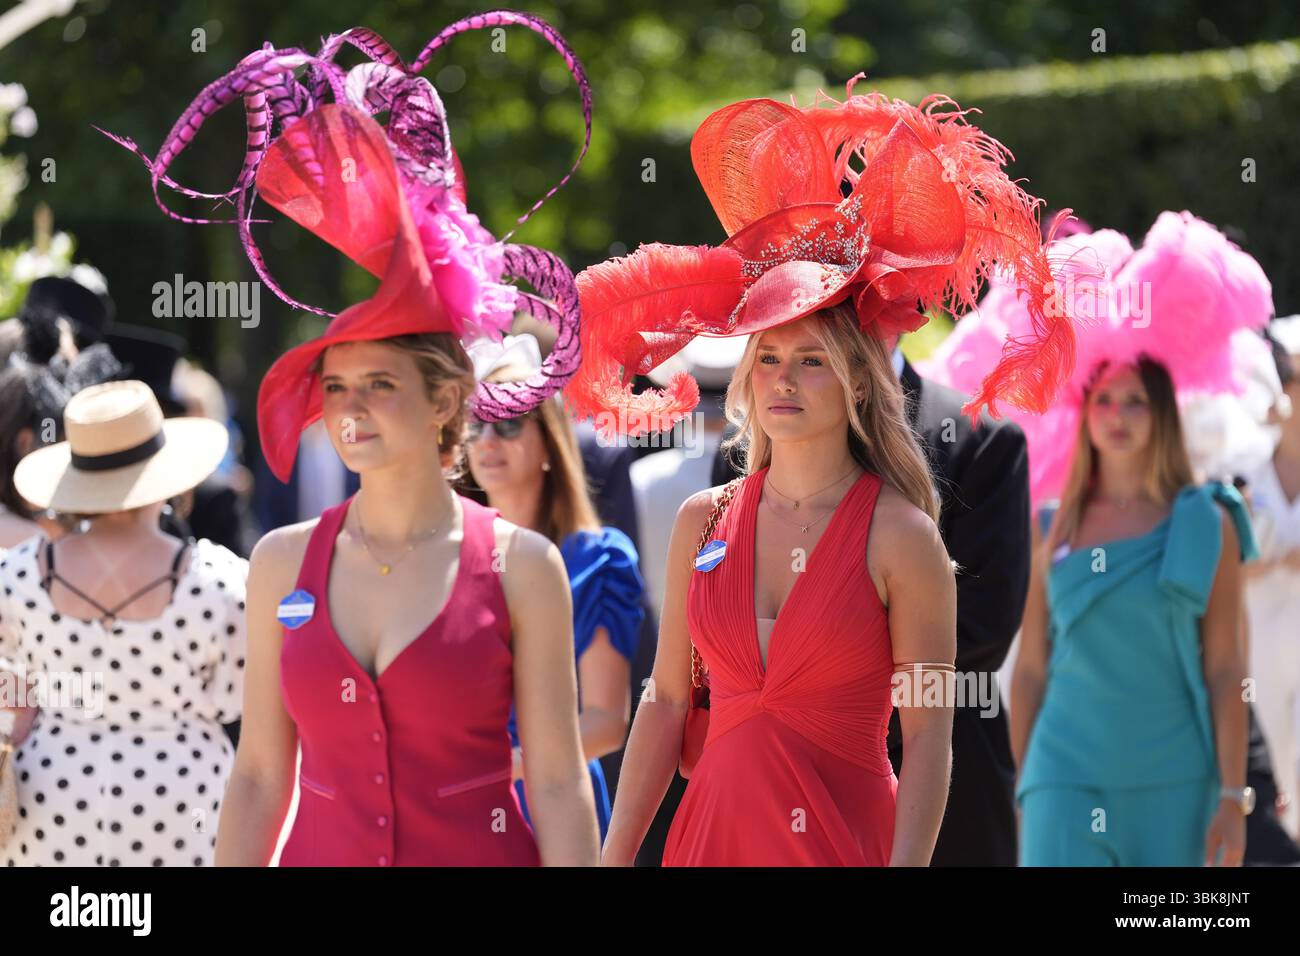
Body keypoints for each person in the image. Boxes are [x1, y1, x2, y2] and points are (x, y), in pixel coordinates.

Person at [111, 14, 603, 865]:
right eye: (335, 386)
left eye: (381, 386)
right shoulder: (278, 560)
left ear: (447, 400)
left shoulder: (524, 566)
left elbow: (558, 783)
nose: (351, 409)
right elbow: (262, 775)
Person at [564, 82, 1078, 865]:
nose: (783, 380)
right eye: (768, 358)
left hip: (844, 842)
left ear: (859, 381)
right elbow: (667, 701)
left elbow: (932, 731)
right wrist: (614, 855)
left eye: (812, 361)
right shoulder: (700, 518)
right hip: (708, 838)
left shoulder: (905, 537)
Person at [1006, 213, 1271, 866]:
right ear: (1082, 411)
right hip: (1062, 783)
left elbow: (1226, 669)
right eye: (1104, 401)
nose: (1118, 417)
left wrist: (1233, 798)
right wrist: (1026, 784)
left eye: (1136, 403)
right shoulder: (1050, 524)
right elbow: (1032, 666)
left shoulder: (1208, 520)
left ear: (1164, 415)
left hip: (1177, 786)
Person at [0, 380, 244, 866]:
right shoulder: (222, 584)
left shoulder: (16, 575)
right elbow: (231, 703)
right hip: (181, 802)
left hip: (51, 799)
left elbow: (11, 694)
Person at [464, 334, 645, 842]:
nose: (487, 441)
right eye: (475, 424)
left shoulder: (596, 561)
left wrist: (506, 767)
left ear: (550, 441)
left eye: (508, 423)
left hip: (552, 806)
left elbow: (608, 722)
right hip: (454, 809)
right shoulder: (442, 560)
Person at [1243, 316, 1300, 837]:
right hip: (1257, 646)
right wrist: (1274, 563)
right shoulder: (1245, 468)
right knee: (1277, 768)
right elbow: (1221, 564)